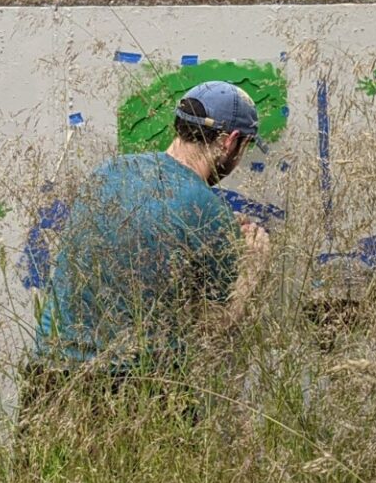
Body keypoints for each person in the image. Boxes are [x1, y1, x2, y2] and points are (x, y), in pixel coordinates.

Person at [24, 80, 271, 419]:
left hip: (50, 380)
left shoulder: (107, 172)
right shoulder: (208, 212)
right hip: (137, 391)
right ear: (230, 143)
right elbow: (214, 327)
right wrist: (252, 268)